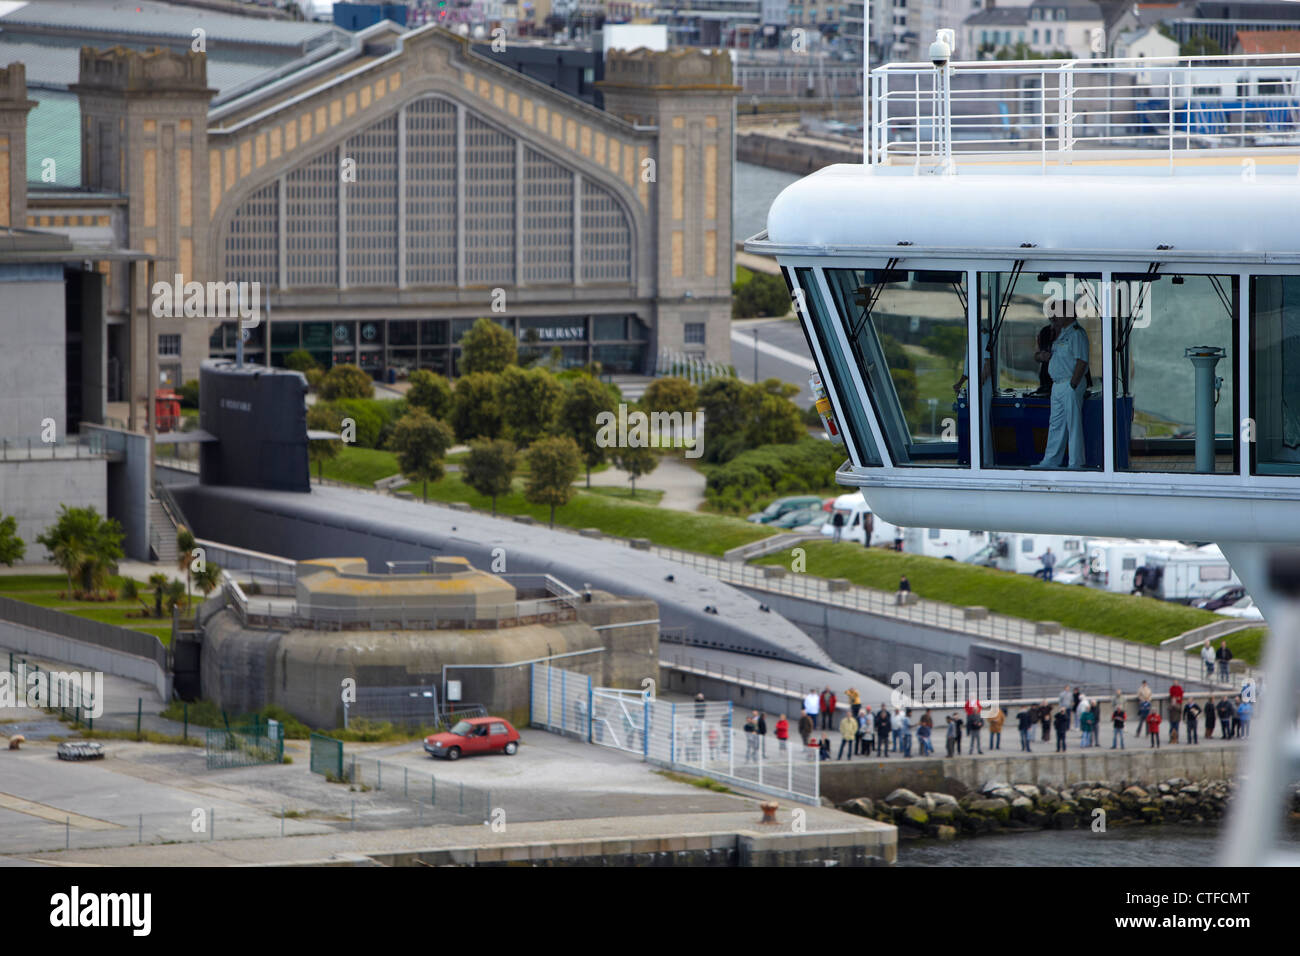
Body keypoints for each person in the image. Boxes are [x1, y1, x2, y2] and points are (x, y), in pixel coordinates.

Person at [1032, 307, 1090, 469]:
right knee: (1056, 424)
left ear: (1068, 314)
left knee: (1073, 424)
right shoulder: (1062, 333)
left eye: (1058, 313)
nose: (1055, 316)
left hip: (1070, 383)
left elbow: (1082, 361)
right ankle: (1051, 461)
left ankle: (1075, 463)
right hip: (1057, 384)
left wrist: (1073, 385)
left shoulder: (1077, 333)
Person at [1034, 319, 1058, 395]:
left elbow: (1081, 361)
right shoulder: (1044, 331)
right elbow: (1036, 355)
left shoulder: (1073, 333)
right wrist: (1041, 356)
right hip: (1046, 381)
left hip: (1066, 381)